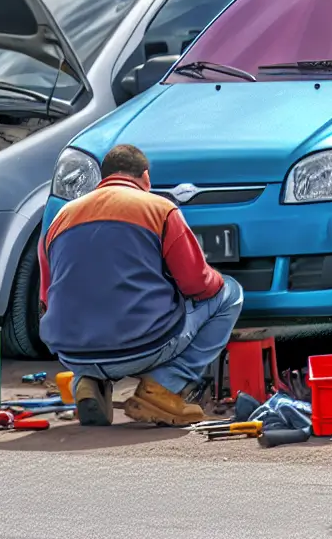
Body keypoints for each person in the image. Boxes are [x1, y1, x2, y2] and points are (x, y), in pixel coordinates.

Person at [38, 143, 243, 427]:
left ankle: (87, 382)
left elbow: (47, 299)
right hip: (142, 346)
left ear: (103, 179)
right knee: (231, 294)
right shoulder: (160, 209)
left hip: (71, 351)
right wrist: (217, 279)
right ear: (145, 178)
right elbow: (198, 285)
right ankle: (161, 387)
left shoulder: (60, 219)